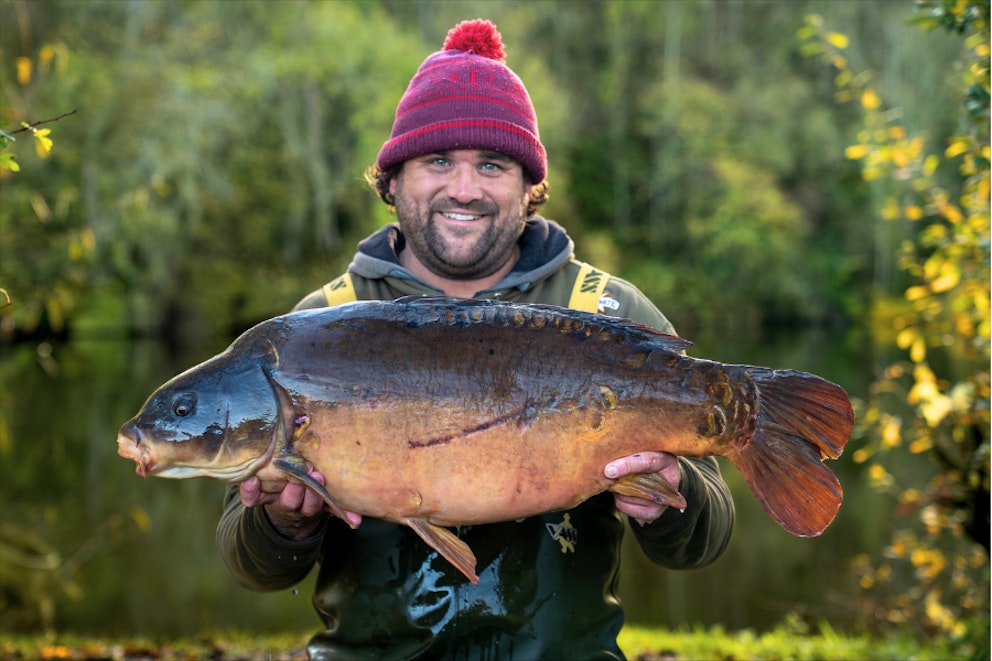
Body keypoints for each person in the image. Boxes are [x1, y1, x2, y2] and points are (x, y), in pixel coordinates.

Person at [217, 18, 734, 661]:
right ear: (394, 179)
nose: (464, 189)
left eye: (491, 164)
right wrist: (283, 521)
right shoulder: (321, 326)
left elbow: (704, 542)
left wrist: (669, 499)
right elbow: (253, 566)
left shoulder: (605, 312)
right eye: (438, 161)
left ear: (528, 187)